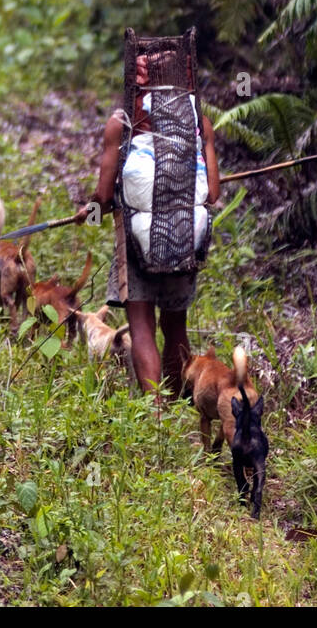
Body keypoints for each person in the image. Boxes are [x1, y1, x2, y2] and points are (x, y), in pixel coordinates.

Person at [75, 49, 220, 396]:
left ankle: (154, 410)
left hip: (137, 240)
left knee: (141, 327)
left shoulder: (121, 123)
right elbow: (212, 193)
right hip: (186, 234)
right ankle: (177, 402)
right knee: (175, 324)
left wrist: (90, 208)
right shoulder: (199, 122)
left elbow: (106, 195)